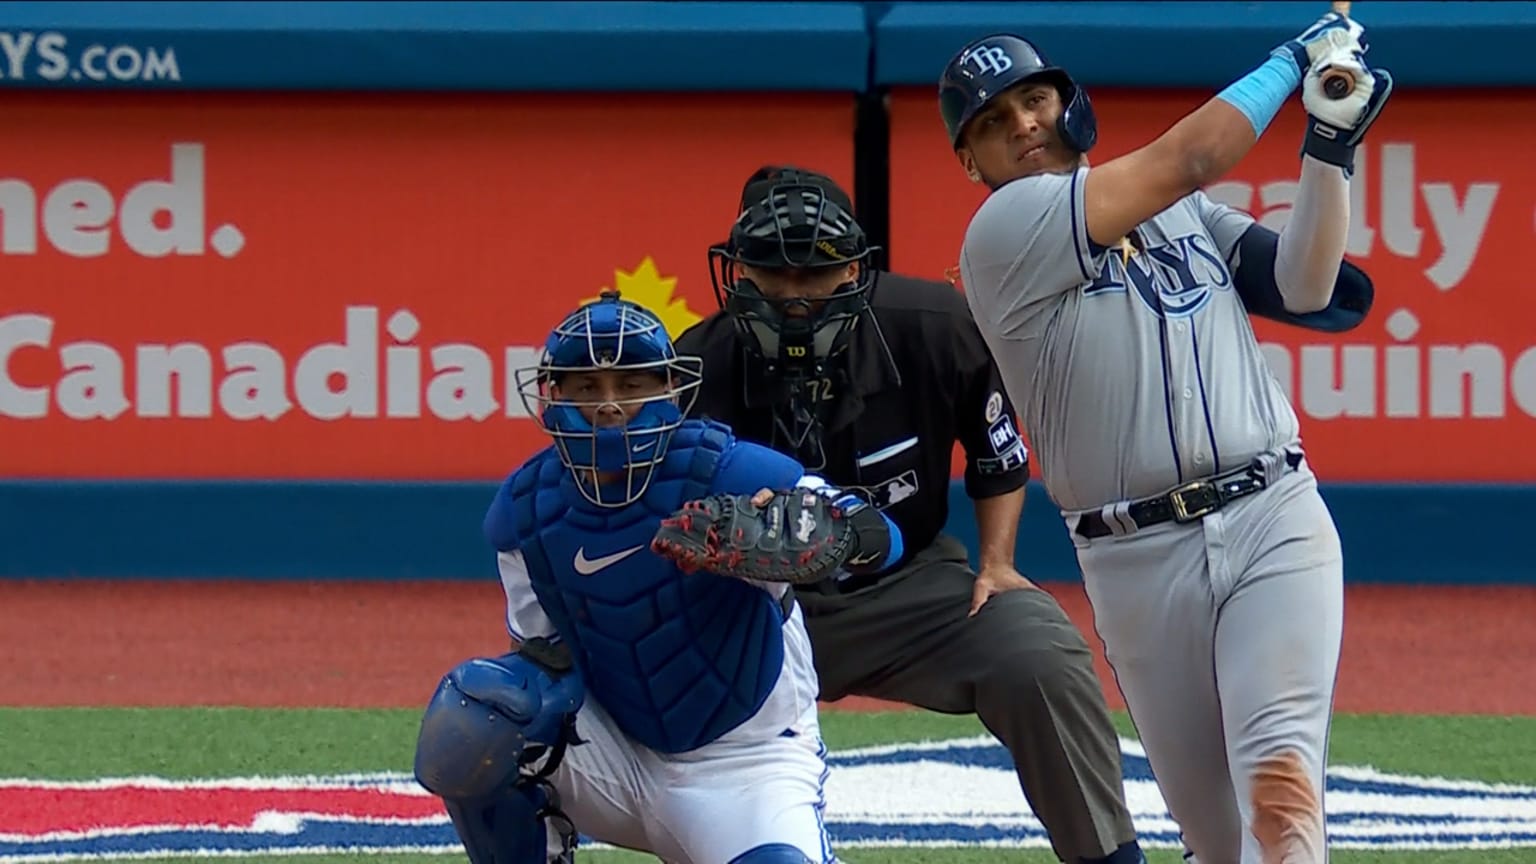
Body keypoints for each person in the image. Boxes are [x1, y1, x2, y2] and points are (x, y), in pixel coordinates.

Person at [940, 12, 1391, 864]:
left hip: (1272, 515)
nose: (1023, 124)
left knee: (1280, 797)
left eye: (1033, 99)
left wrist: (1328, 148)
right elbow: (1192, 154)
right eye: (994, 123)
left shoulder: (1182, 215)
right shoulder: (1002, 235)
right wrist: (1293, 59)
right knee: (1216, 841)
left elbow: (1305, 286)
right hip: (1137, 557)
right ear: (970, 163)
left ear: (1071, 104)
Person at [674, 166, 1146, 864]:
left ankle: (1108, 859)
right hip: (756, 608)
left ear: (856, 271)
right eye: (773, 274)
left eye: (817, 274)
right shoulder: (693, 366)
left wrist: (996, 564)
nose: (795, 297)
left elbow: (998, 458)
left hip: (909, 585)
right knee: (637, 671)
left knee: (1037, 648)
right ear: (738, 272)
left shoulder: (937, 328)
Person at [410, 290, 905, 864]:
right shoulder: (527, 511)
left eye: (632, 384)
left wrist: (822, 539)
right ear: (553, 396)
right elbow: (543, 660)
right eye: (586, 387)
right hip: (617, 753)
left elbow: (881, 538)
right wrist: (523, 698)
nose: (610, 405)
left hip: (743, 762)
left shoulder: (729, 471)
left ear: (669, 389)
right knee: (477, 717)